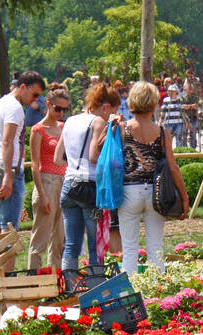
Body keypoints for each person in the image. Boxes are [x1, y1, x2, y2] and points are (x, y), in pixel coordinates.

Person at [107, 80, 187, 274]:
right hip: (155, 192)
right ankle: (157, 293)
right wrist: (184, 197)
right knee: (155, 248)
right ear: (154, 102)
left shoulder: (121, 128)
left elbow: (107, 157)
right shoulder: (162, 132)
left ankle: (132, 292)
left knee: (130, 248)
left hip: (128, 191)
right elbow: (173, 167)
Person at [55, 81, 120, 288]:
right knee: (95, 244)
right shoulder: (97, 122)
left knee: (71, 244)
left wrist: (75, 163)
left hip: (69, 186)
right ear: (106, 107)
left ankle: (70, 286)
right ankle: (96, 287)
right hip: (89, 188)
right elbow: (94, 157)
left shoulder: (70, 121)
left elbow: (58, 157)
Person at [0, 70, 44, 233]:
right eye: (34, 95)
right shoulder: (15, 108)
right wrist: (7, 176)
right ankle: (4, 260)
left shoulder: (1, 102)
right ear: (23, 87)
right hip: (8, 170)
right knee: (9, 232)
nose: (35, 100)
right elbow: (7, 141)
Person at [27, 83, 68, 271]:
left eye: (64, 109)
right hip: (46, 181)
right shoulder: (38, 129)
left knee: (59, 238)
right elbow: (34, 164)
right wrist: (42, 194)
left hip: (63, 182)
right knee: (40, 239)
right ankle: (34, 282)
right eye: (57, 108)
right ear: (48, 104)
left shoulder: (64, 127)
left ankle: (55, 282)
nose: (60, 112)